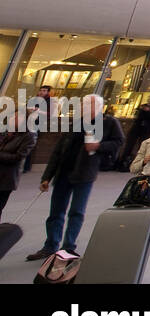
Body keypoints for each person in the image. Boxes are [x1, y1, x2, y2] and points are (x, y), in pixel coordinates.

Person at [28, 94, 124, 261]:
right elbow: (58, 151)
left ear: (100, 107)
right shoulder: (75, 122)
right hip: (64, 172)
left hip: (85, 172)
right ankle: (50, 246)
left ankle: (68, 247)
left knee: (76, 211)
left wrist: (99, 146)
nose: (86, 107)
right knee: (56, 212)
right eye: (84, 103)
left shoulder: (109, 122)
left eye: (90, 104)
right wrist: (47, 177)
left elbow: (119, 141)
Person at [0, 103, 39, 219]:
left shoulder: (29, 135)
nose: (13, 119)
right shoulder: (7, 131)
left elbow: (18, 157)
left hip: (6, 178)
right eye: (12, 116)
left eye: (17, 117)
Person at [118, 96, 150, 171]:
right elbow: (139, 115)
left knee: (142, 147)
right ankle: (122, 164)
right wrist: (149, 112)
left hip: (146, 130)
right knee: (129, 146)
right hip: (136, 128)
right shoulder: (143, 106)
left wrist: (149, 112)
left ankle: (137, 164)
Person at [22, 85, 52, 173]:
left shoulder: (49, 101)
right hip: (28, 122)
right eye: (41, 90)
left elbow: (49, 114)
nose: (42, 92)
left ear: (48, 92)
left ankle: (26, 166)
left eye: (44, 90)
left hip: (37, 124)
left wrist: (37, 110)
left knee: (30, 144)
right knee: (23, 142)